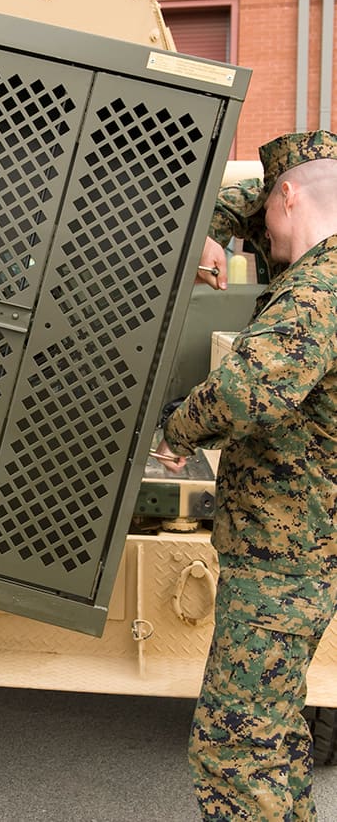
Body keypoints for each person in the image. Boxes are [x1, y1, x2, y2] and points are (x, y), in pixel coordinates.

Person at [156, 129, 337, 820]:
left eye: (268, 211)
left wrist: (178, 427)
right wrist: (204, 229)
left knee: (235, 753)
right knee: (277, 737)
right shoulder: (317, 272)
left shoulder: (318, 290)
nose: (259, 228)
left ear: (288, 196)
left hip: (282, 563)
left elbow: (246, 390)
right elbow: (230, 203)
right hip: (298, 556)